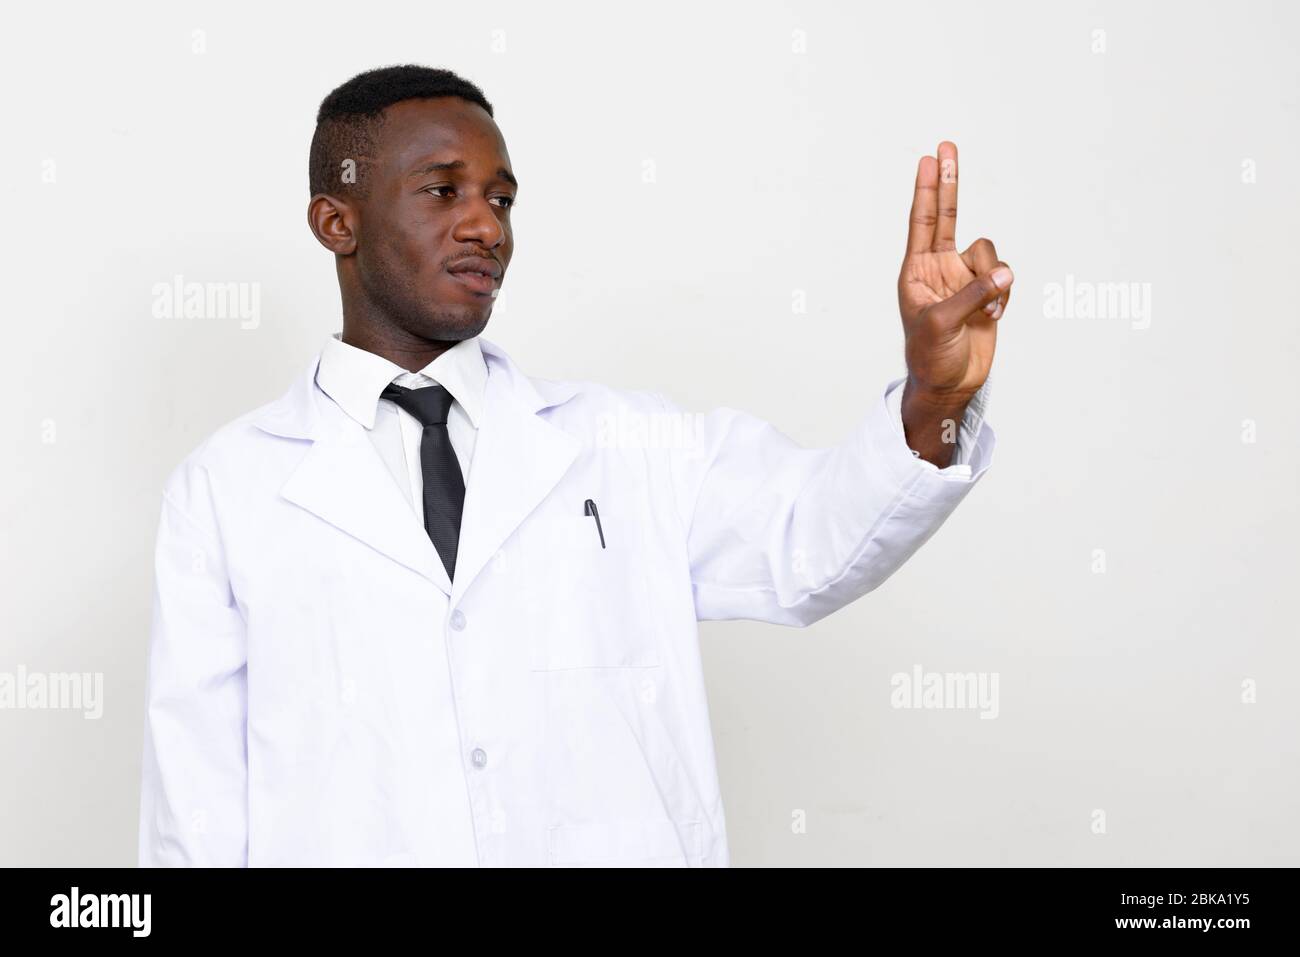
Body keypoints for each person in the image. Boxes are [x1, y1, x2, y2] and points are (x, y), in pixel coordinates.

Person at [138, 64, 1013, 867]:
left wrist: (935, 399)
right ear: (339, 220)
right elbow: (196, 812)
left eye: (502, 198)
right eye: (443, 190)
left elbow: (812, 541)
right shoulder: (225, 492)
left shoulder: (627, 446)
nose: (486, 225)